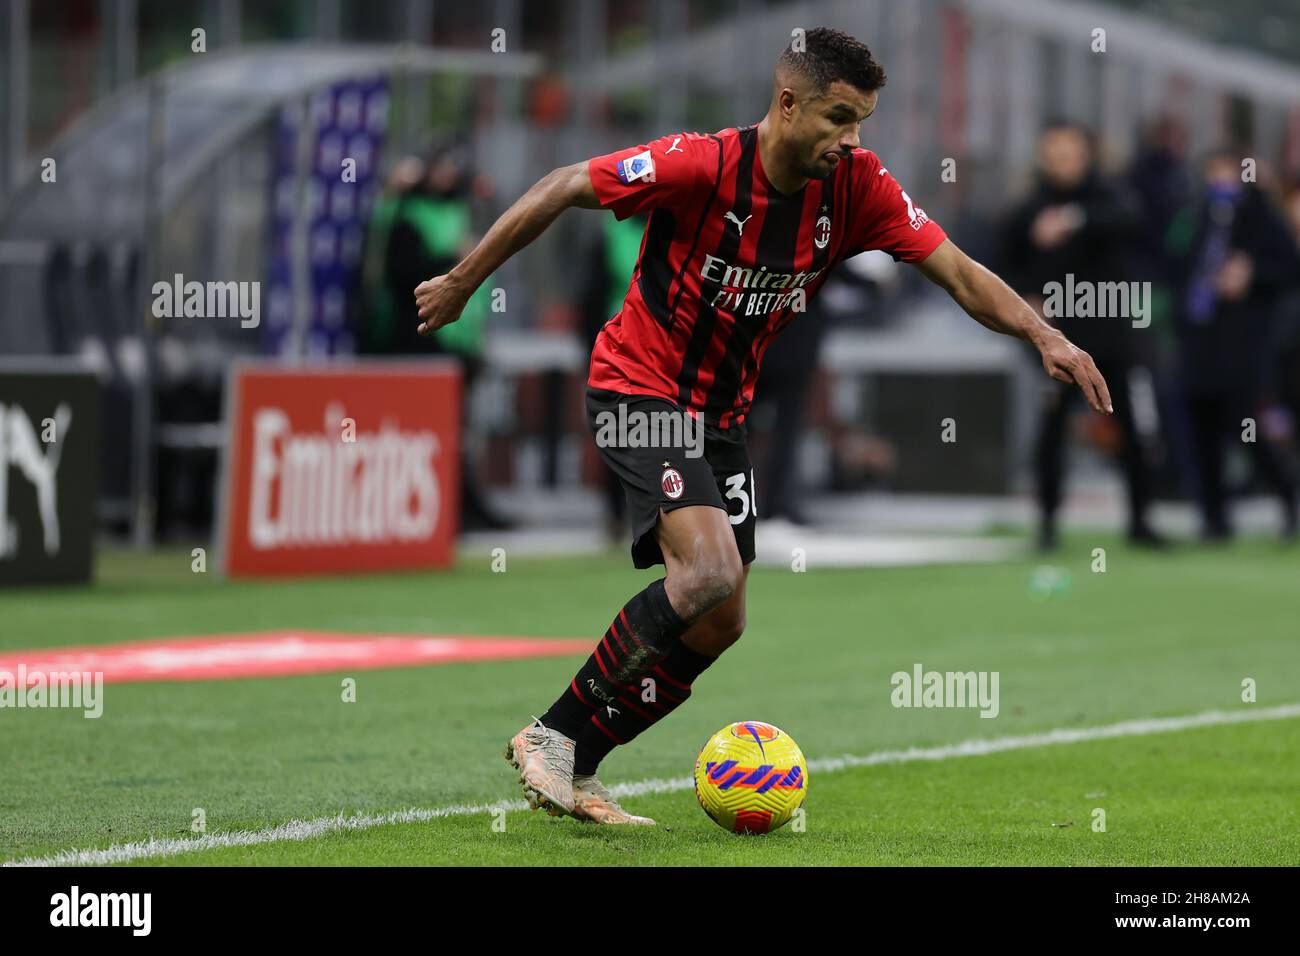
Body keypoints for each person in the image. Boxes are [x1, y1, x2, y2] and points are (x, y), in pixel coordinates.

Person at [414, 28, 1111, 825]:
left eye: (863, 123)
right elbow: (565, 182)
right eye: (839, 118)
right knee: (706, 572)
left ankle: (577, 764)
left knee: (724, 614)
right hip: (638, 390)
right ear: (787, 103)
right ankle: (552, 733)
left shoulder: (858, 187)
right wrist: (466, 282)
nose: (851, 141)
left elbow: (957, 271)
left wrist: (1044, 334)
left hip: (721, 418)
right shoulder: (701, 164)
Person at [1001, 122, 1165, 551]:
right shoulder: (1027, 209)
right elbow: (1002, 261)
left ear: (1086, 156)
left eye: (1069, 154)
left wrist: (1073, 220)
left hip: (1115, 337)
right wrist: (1026, 299)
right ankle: (1048, 526)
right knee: (1052, 432)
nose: (1061, 163)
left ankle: (1141, 522)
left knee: (1135, 428)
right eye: (1053, 155)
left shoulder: (1109, 196)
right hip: (1060, 341)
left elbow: (1130, 219)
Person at [1167, 151, 1300, 541]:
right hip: (1198, 339)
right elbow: (1173, 262)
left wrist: (1252, 273)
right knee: (1201, 427)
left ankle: (1286, 495)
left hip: (1241, 340)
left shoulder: (1261, 220)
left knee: (1245, 425)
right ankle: (1214, 517)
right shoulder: (1194, 217)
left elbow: (1290, 268)